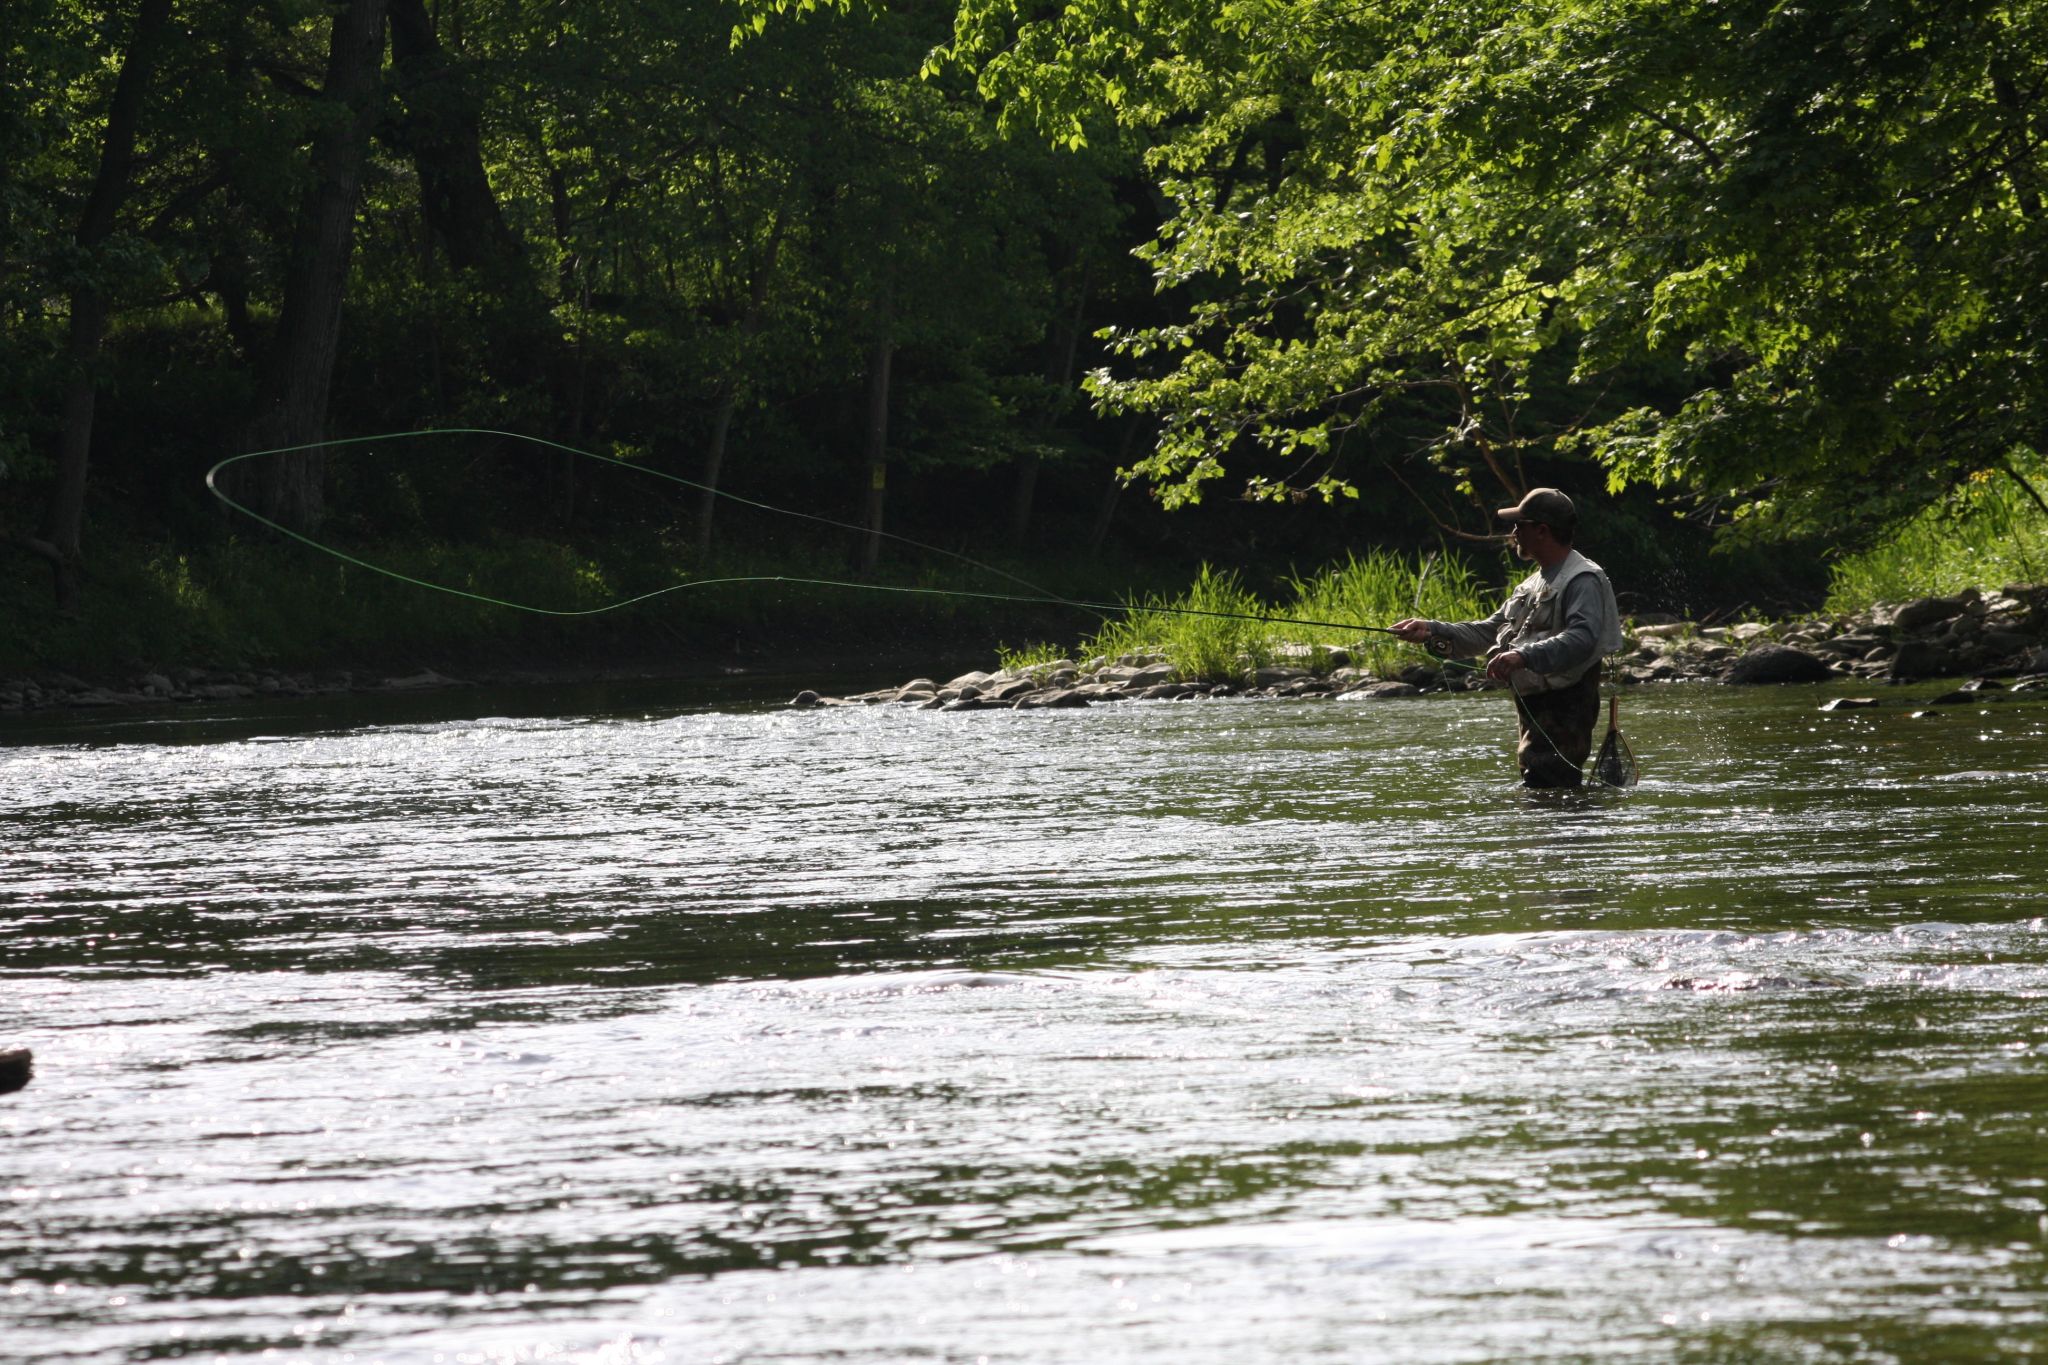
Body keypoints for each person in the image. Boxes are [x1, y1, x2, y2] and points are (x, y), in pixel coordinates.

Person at [1391, 488, 1623, 787]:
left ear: (1542, 531)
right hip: (1536, 710)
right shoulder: (1532, 583)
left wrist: (1523, 655)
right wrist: (1432, 630)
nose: (1513, 533)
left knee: (1548, 789)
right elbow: (1488, 632)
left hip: (1565, 707)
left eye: (1520, 526)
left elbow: (1582, 638)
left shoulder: (1583, 579)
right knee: (1542, 792)